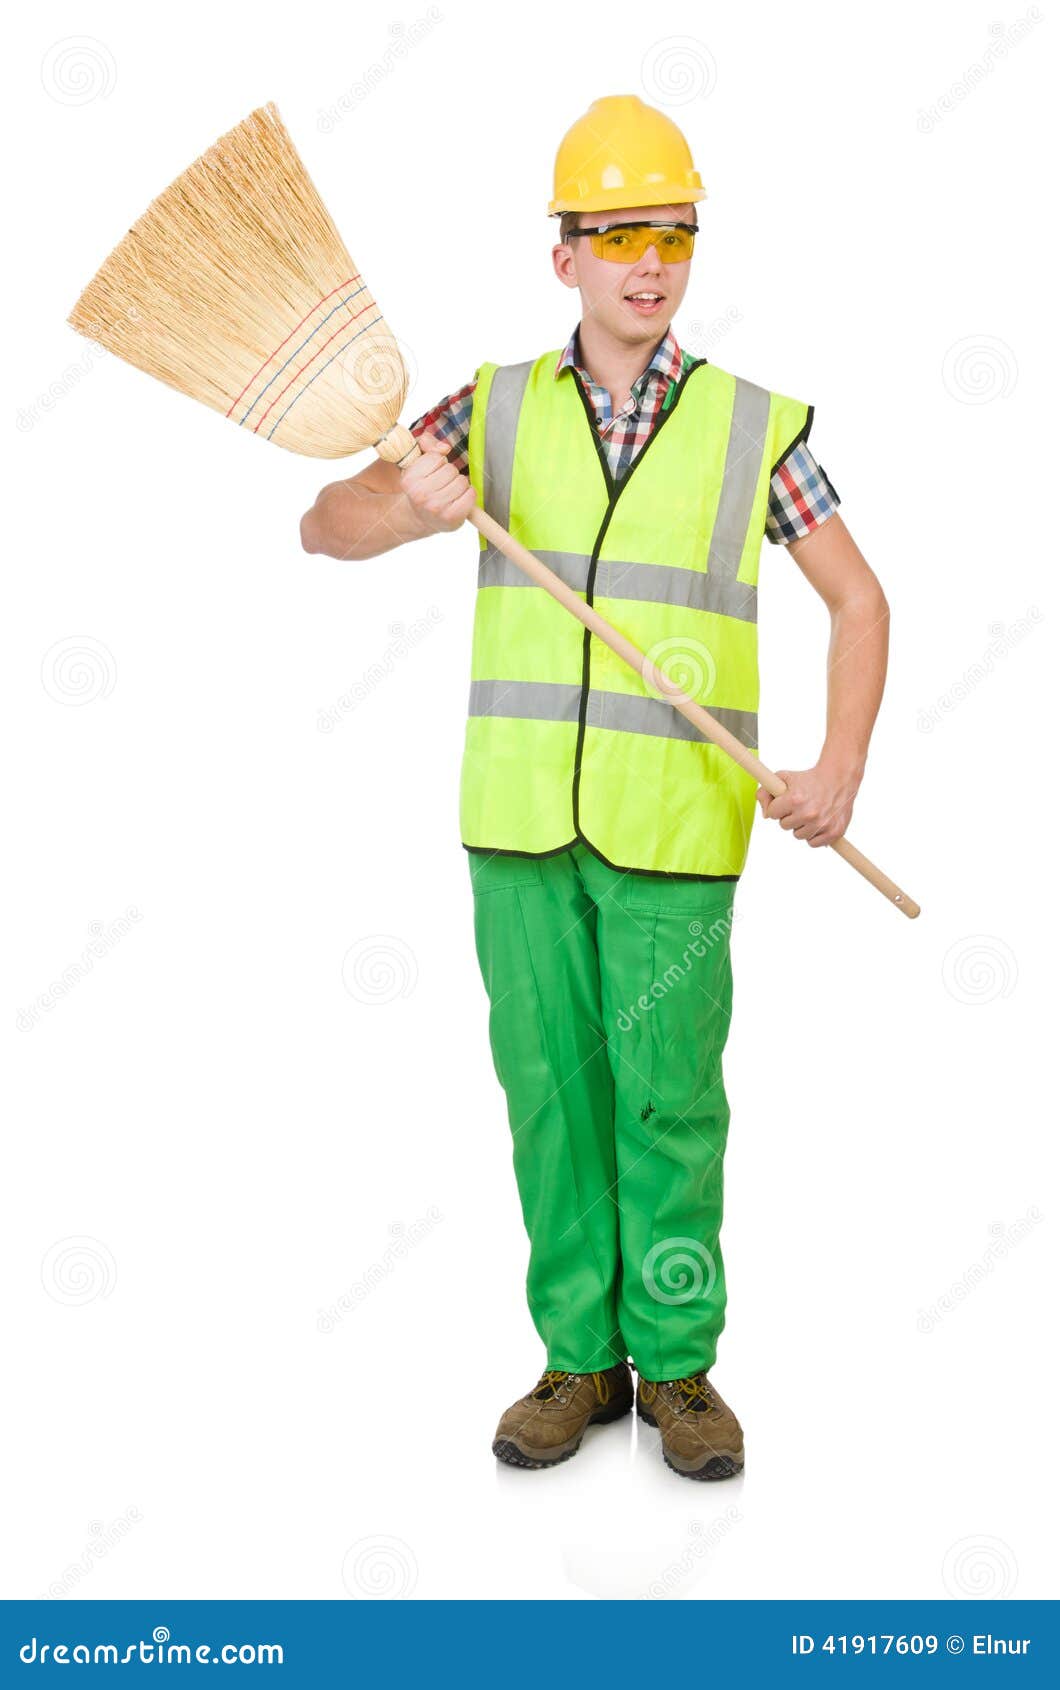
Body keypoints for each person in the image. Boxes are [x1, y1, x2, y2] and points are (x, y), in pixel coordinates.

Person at [301, 94, 889, 1481]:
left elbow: (859, 603)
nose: (650, 258)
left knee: (669, 1099)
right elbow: (324, 527)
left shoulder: (754, 428)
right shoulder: (486, 409)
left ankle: (678, 1367)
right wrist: (411, 502)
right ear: (562, 253)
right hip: (517, 826)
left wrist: (837, 769)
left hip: (678, 829)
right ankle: (580, 1359)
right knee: (551, 1090)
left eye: (672, 231)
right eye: (618, 231)